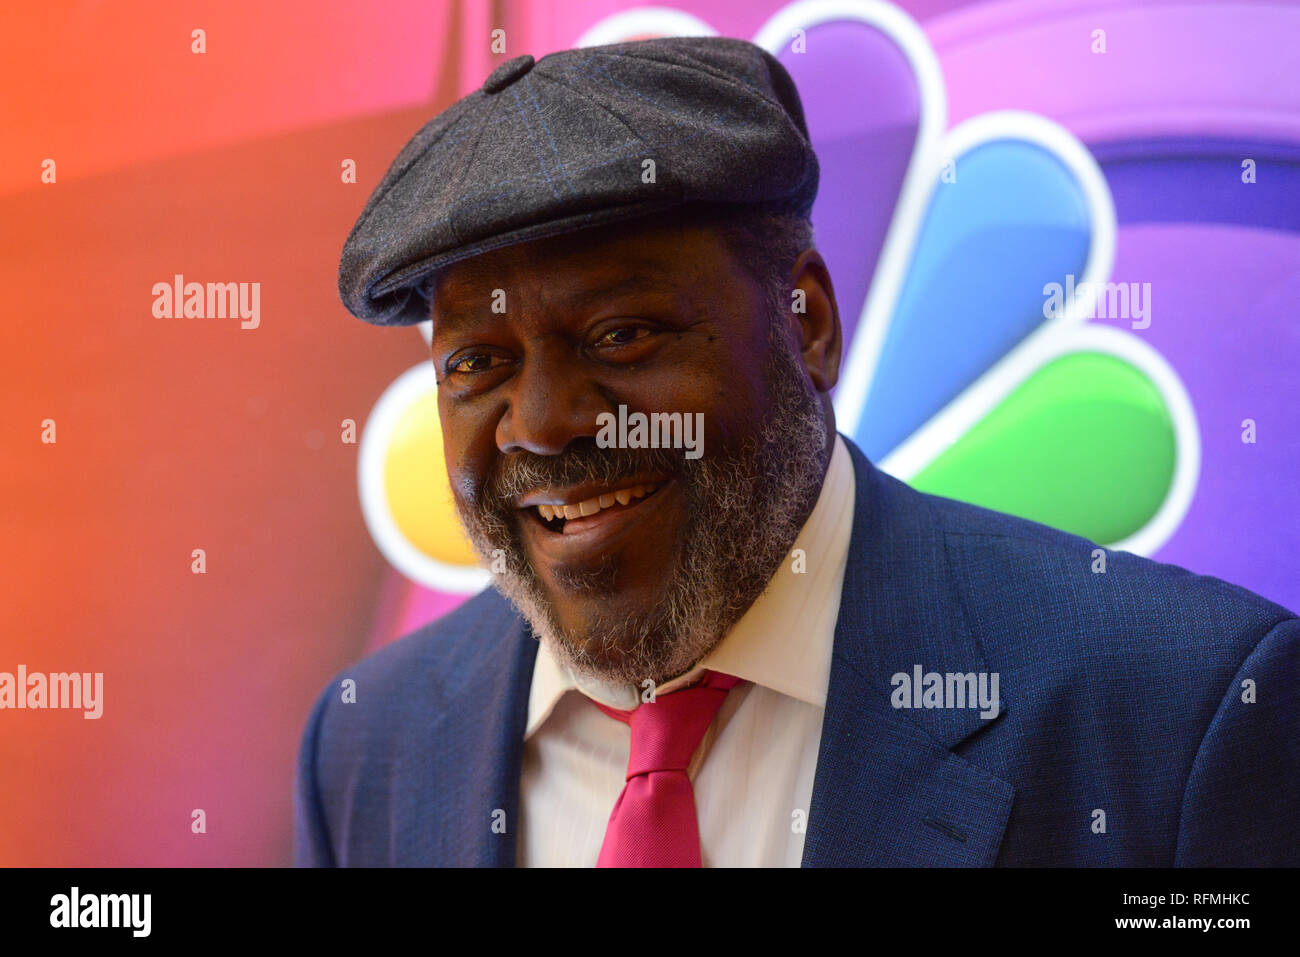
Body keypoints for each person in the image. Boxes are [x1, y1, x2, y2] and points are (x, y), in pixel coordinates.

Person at [295, 36, 1299, 867]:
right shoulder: (369, 747)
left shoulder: (1184, 718)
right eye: (478, 363)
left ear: (807, 321)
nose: (544, 424)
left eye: (620, 335)